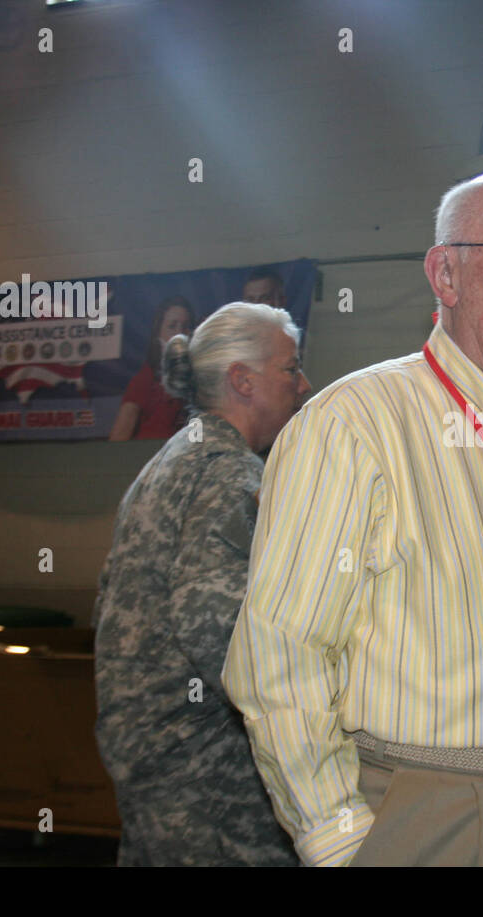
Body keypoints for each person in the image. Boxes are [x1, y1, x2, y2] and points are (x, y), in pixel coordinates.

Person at [223, 170, 483, 867]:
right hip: (440, 817)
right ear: (447, 274)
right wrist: (341, 841)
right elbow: (278, 655)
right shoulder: (354, 426)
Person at [93, 301, 312, 865]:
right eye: (290, 368)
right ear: (243, 380)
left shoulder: (172, 459)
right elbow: (218, 629)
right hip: (208, 778)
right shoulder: (228, 473)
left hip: (157, 763)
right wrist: (309, 719)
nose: (303, 384)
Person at [109, 295, 194, 441]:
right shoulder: (146, 378)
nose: (179, 333)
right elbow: (119, 437)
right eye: (172, 326)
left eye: (185, 327)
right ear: (158, 331)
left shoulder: (196, 380)